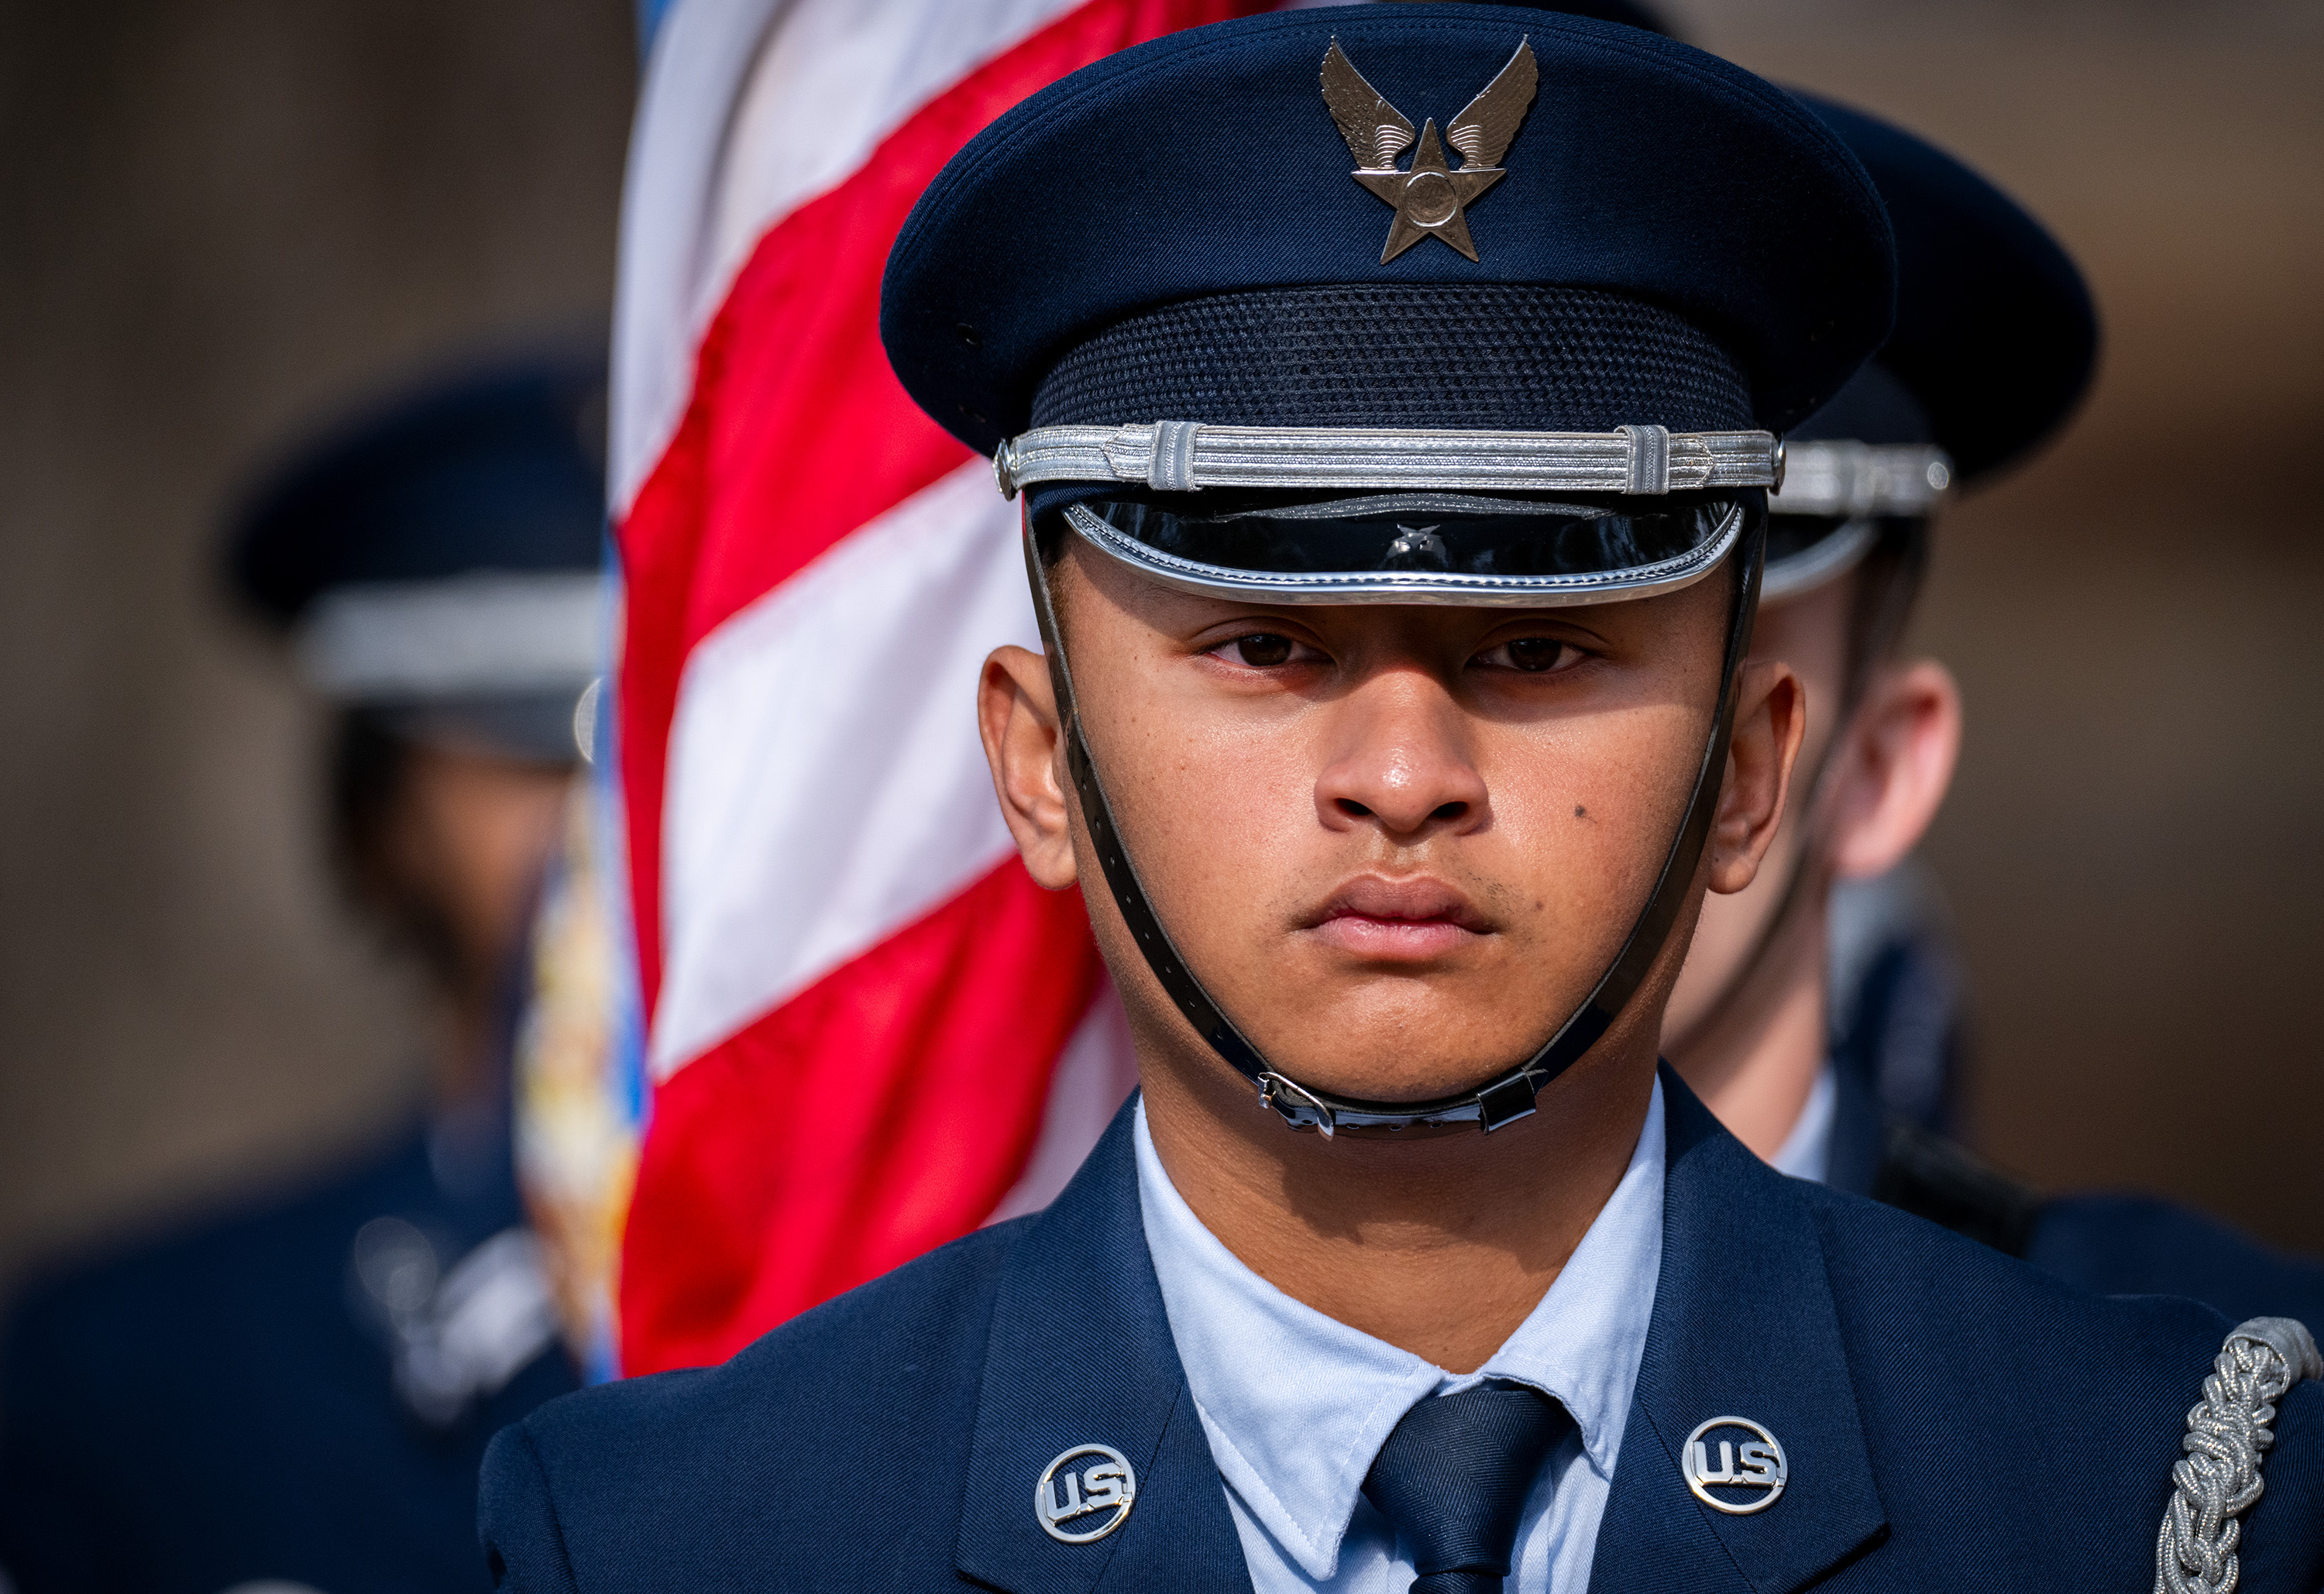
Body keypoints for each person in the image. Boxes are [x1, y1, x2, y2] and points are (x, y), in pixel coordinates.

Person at [480, 11, 2324, 1590]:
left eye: (1537, 653)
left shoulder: (2152, 1500)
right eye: (1267, 647)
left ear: (1759, 769)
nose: (1401, 778)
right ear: (1035, 763)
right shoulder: (675, 1536)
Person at [1658, 94, 2324, 1325]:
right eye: (1294, 645)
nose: (1437, 759)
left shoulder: (2235, 1425)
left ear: (1875, 765)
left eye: (1583, 654)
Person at [0, 355, 605, 1594]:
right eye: (533, 744)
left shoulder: (937, 1319)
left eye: (657, 737)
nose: (603, 816)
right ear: (373, 824)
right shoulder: (131, 1385)